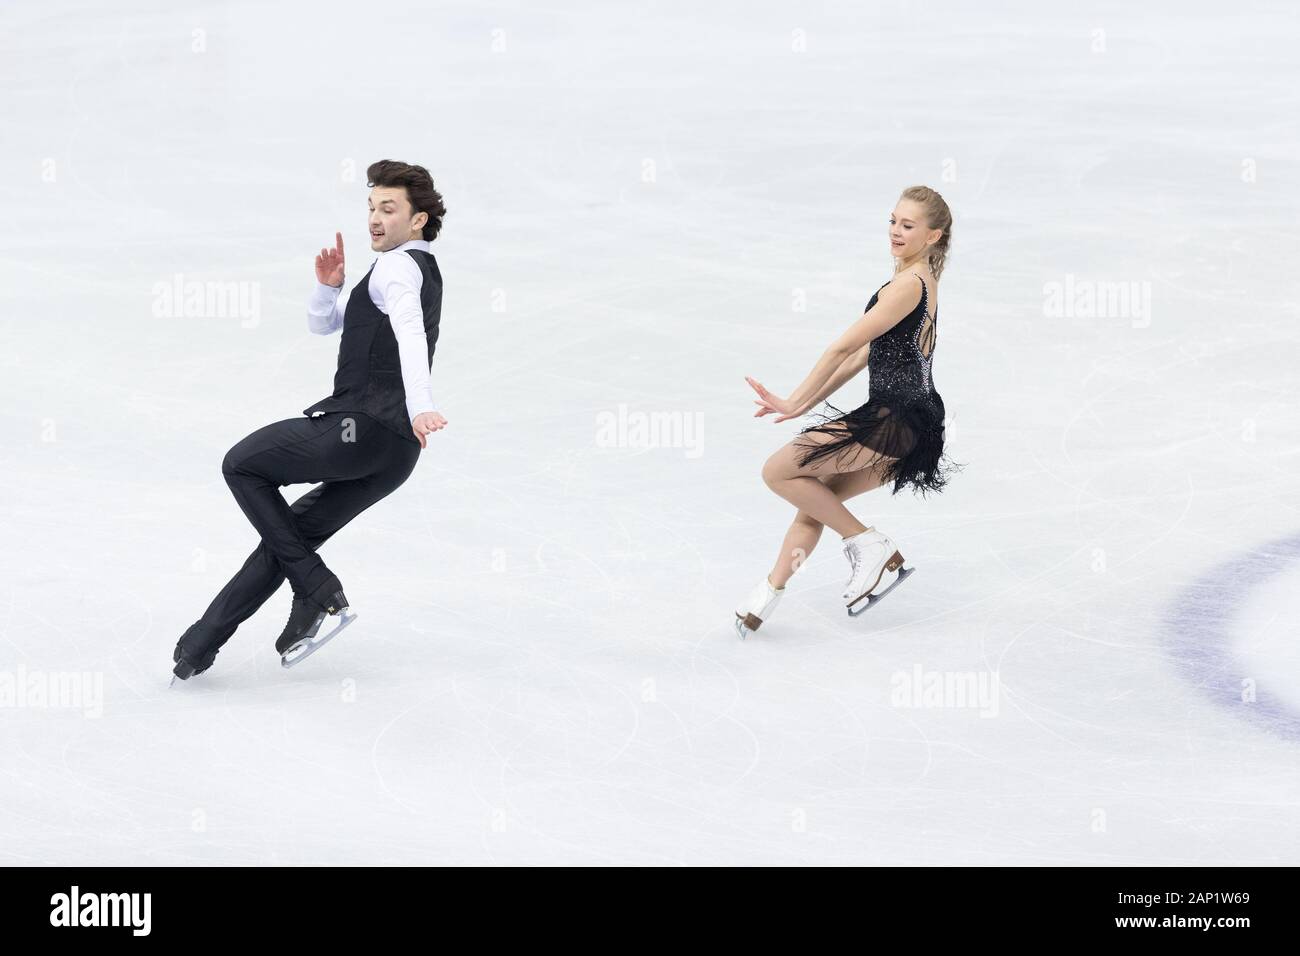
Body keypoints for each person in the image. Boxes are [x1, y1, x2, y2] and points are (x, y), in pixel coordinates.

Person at [172, 159, 448, 680]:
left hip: (358, 431)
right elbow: (325, 325)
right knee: (289, 538)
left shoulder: (396, 270)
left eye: (388, 208)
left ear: (418, 220)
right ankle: (201, 645)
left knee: (243, 465)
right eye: (371, 206)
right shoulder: (412, 271)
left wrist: (422, 405)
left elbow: (411, 333)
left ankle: (317, 586)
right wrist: (329, 288)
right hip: (396, 455)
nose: (374, 217)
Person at [736, 185, 960, 636]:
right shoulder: (920, 281)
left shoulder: (908, 285)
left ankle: (869, 544)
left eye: (908, 225)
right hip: (917, 420)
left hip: (896, 419)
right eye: (893, 221)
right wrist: (805, 404)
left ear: (933, 236)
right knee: (817, 500)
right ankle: (767, 595)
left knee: (778, 472)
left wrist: (794, 400)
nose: (896, 231)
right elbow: (862, 359)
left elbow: (843, 345)